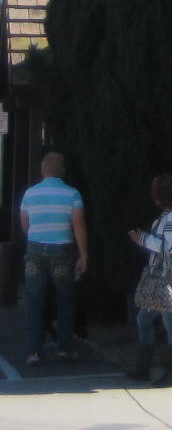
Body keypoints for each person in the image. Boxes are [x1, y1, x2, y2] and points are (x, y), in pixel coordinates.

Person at [19, 151, 88, 366]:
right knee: (65, 300)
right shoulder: (72, 194)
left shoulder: (29, 194)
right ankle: (65, 349)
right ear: (63, 170)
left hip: (35, 250)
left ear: (43, 170)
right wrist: (83, 254)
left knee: (34, 301)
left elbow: (25, 225)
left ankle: (34, 352)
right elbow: (78, 225)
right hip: (62, 251)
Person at [127, 174, 172, 387]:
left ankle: (170, 373)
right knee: (146, 319)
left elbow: (169, 247)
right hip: (160, 273)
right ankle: (148, 368)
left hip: (166, 273)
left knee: (170, 322)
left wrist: (142, 238)